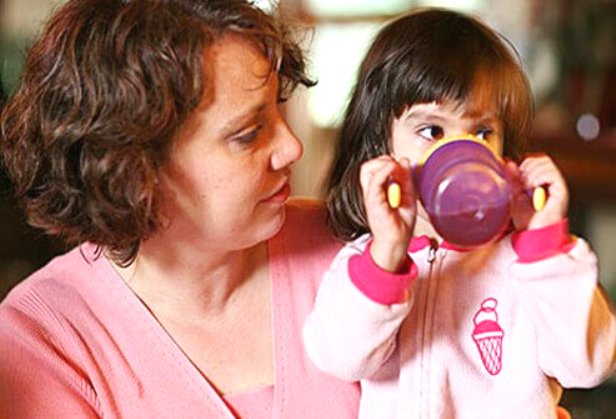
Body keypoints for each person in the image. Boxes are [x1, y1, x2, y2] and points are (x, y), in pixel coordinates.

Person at [0, 0, 360, 417]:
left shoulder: (353, 254)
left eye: (278, 108)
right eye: (249, 134)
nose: (291, 147)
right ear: (132, 169)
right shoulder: (45, 340)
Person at [303, 8, 616, 418]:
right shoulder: (369, 264)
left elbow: (589, 364)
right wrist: (386, 257)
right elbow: (341, 357)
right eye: (431, 131)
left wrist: (545, 246)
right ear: (382, 144)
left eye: (482, 132)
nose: (461, 151)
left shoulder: (529, 266)